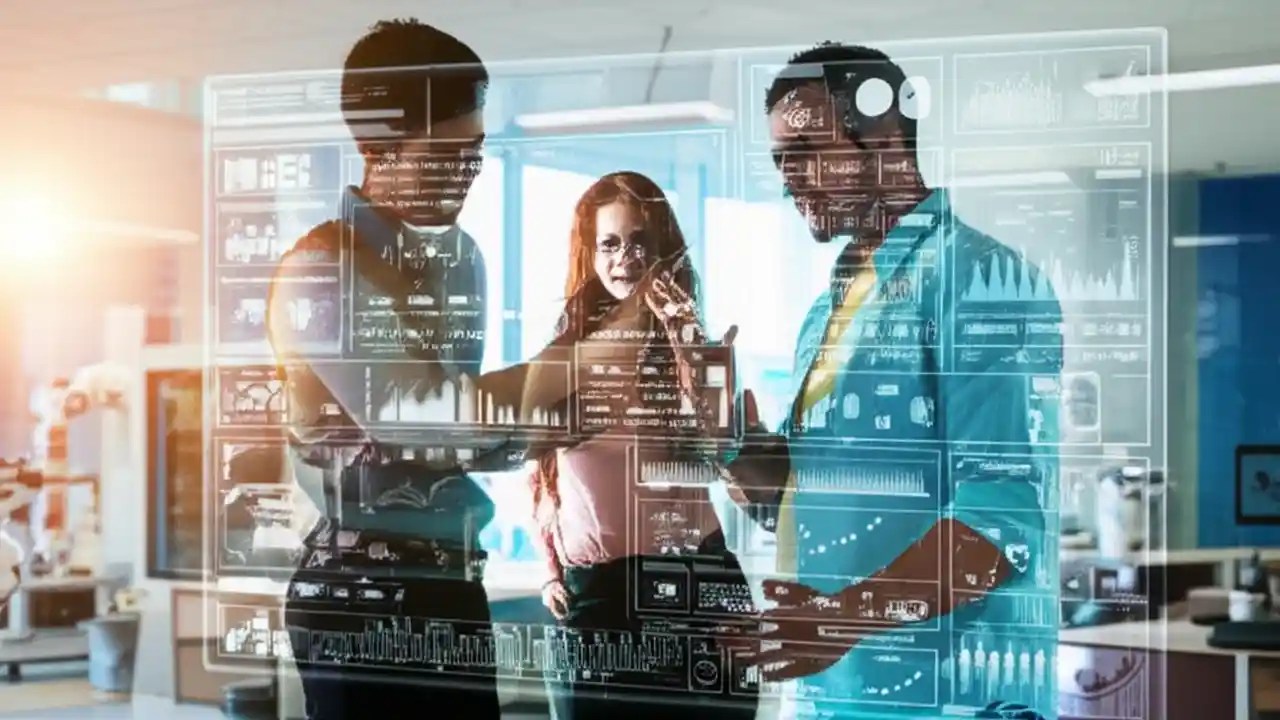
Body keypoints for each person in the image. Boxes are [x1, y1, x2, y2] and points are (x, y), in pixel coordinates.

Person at [724, 43, 1063, 719]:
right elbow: (797, 502)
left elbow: (999, 525)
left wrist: (842, 618)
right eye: (778, 159)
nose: (790, 177)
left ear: (881, 137)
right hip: (832, 699)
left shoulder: (981, 282)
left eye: (806, 150)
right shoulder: (827, 309)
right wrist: (727, 441)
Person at [267, 18, 500, 720]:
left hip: (451, 587)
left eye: (477, 151)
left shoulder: (463, 259)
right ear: (376, 147)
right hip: (357, 600)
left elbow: (470, 431)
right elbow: (437, 427)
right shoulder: (320, 271)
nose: (466, 173)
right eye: (446, 153)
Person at [525, 171, 759, 720]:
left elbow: (722, 449)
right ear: (590, 253)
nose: (624, 257)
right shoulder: (560, 360)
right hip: (601, 595)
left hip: (700, 583)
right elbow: (540, 480)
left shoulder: (697, 348)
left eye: (639, 242)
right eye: (609, 243)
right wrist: (549, 570)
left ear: (662, 250)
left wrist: (684, 334)